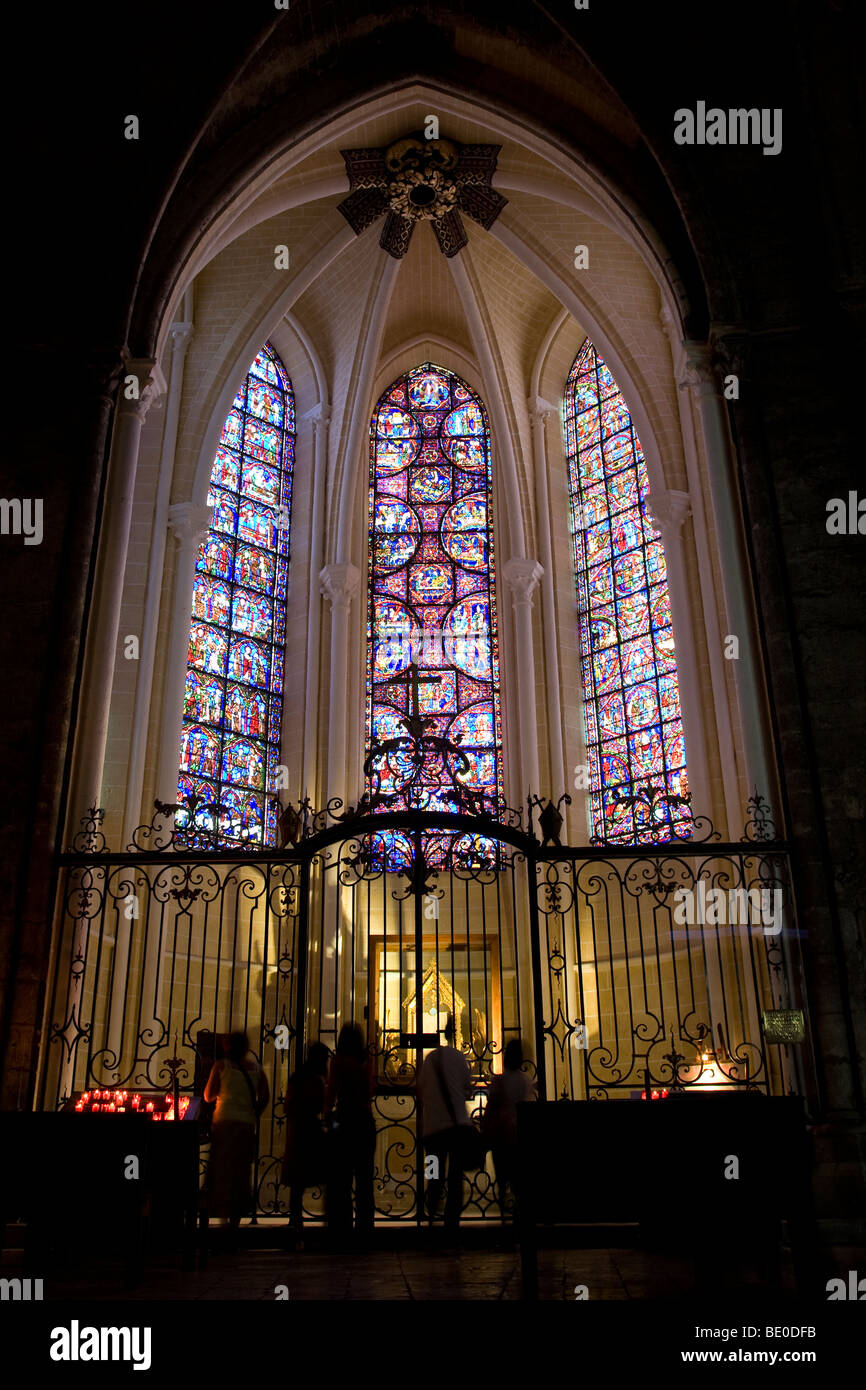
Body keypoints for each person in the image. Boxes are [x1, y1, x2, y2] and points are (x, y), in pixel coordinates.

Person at [204, 1030, 269, 1249]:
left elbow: (207, 1095)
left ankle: (222, 1220)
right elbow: (265, 1096)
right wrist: (253, 1113)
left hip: (224, 1123)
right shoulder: (256, 1068)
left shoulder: (222, 1066)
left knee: (223, 1172)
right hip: (245, 1125)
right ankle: (235, 1222)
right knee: (241, 1173)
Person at [418, 1015, 475, 1234]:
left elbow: (420, 1090)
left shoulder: (430, 1059)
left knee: (433, 1173)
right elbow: (469, 1089)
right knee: (455, 1175)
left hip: (433, 1131)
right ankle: (452, 1224)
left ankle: (431, 1213)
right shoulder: (460, 1058)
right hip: (455, 1128)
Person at [324, 1024, 376, 1242]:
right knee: (364, 1179)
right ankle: (365, 1231)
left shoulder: (338, 1062)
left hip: (344, 1119)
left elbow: (332, 1090)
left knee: (342, 1179)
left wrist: (327, 1114)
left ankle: (341, 1230)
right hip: (364, 1119)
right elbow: (372, 1089)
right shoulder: (367, 1061)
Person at [482, 1038, 537, 1222]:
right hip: (520, 1131)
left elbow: (492, 1105)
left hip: (501, 1132)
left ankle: (504, 1210)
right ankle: (520, 1215)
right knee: (518, 1176)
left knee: (503, 1175)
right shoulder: (526, 1080)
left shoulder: (500, 1080)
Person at [281, 1041, 330, 1245]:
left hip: (297, 1129)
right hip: (310, 1128)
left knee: (297, 1181)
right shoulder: (317, 1080)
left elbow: (287, 1104)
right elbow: (322, 1104)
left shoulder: (297, 1077)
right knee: (322, 1174)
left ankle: (295, 1220)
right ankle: (328, 1219)